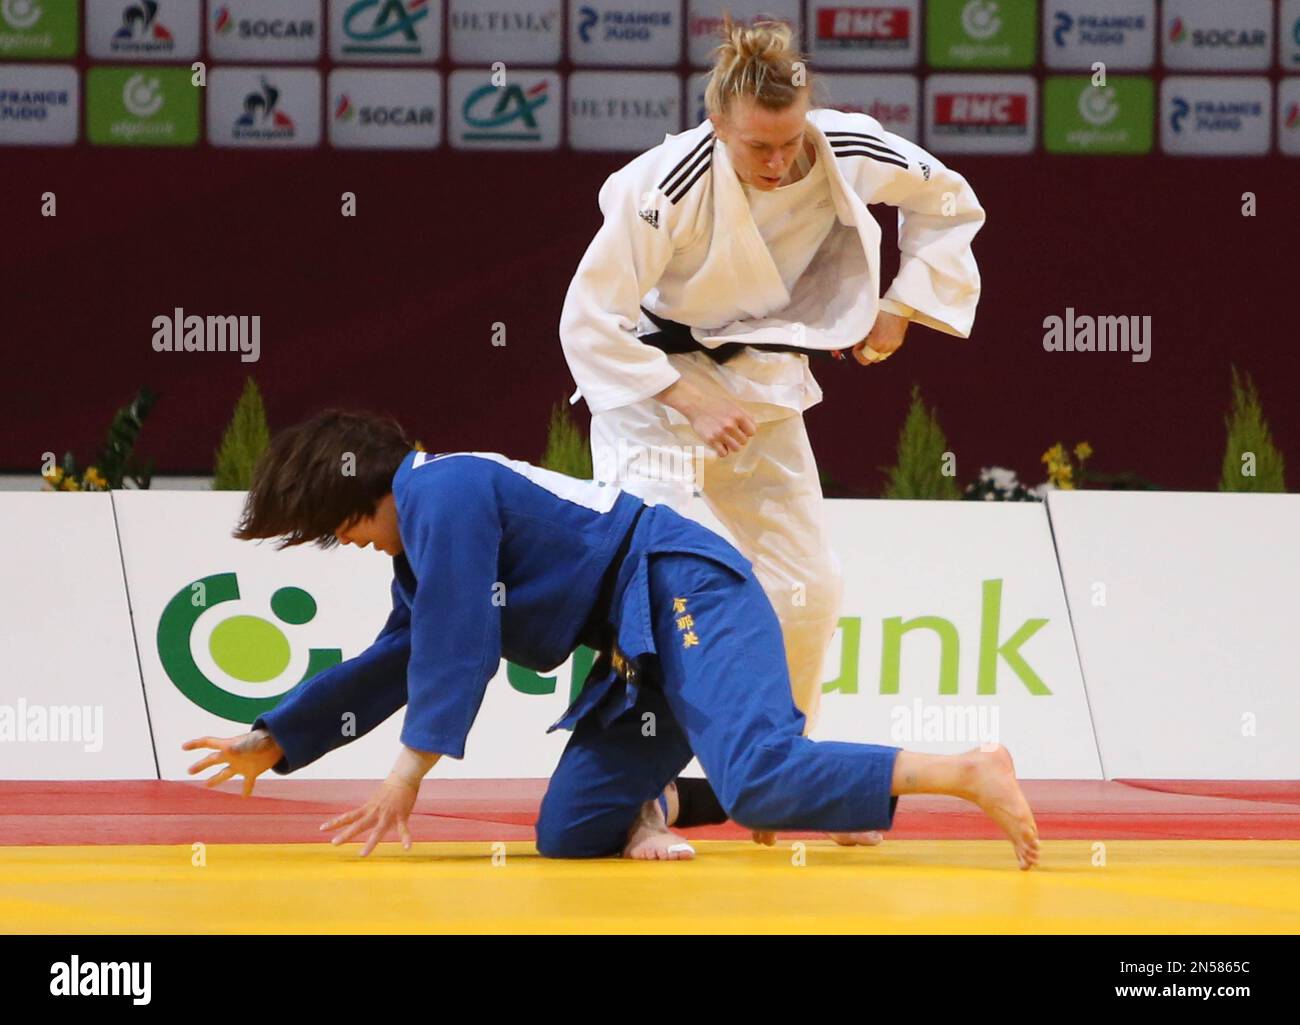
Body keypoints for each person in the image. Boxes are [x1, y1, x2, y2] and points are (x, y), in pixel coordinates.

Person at [184, 412, 1039, 870]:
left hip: (682, 585)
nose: (354, 545)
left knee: (763, 774)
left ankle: (965, 771)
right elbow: (400, 655)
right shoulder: (426, 536)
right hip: (636, 646)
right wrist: (279, 735)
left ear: (364, 492)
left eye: (343, 529)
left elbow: (459, 643)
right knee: (571, 830)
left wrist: (403, 776)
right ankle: (679, 800)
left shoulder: (440, 492)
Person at [558, 19, 984, 770]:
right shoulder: (662, 186)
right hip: (650, 385)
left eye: (789, 140)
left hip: (757, 377)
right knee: (659, 588)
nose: (781, 161)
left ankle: (783, 765)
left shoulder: (842, 147)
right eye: (759, 146)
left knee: (808, 584)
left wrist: (901, 303)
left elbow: (947, 199)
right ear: (715, 122)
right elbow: (589, 321)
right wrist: (688, 397)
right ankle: (634, 795)